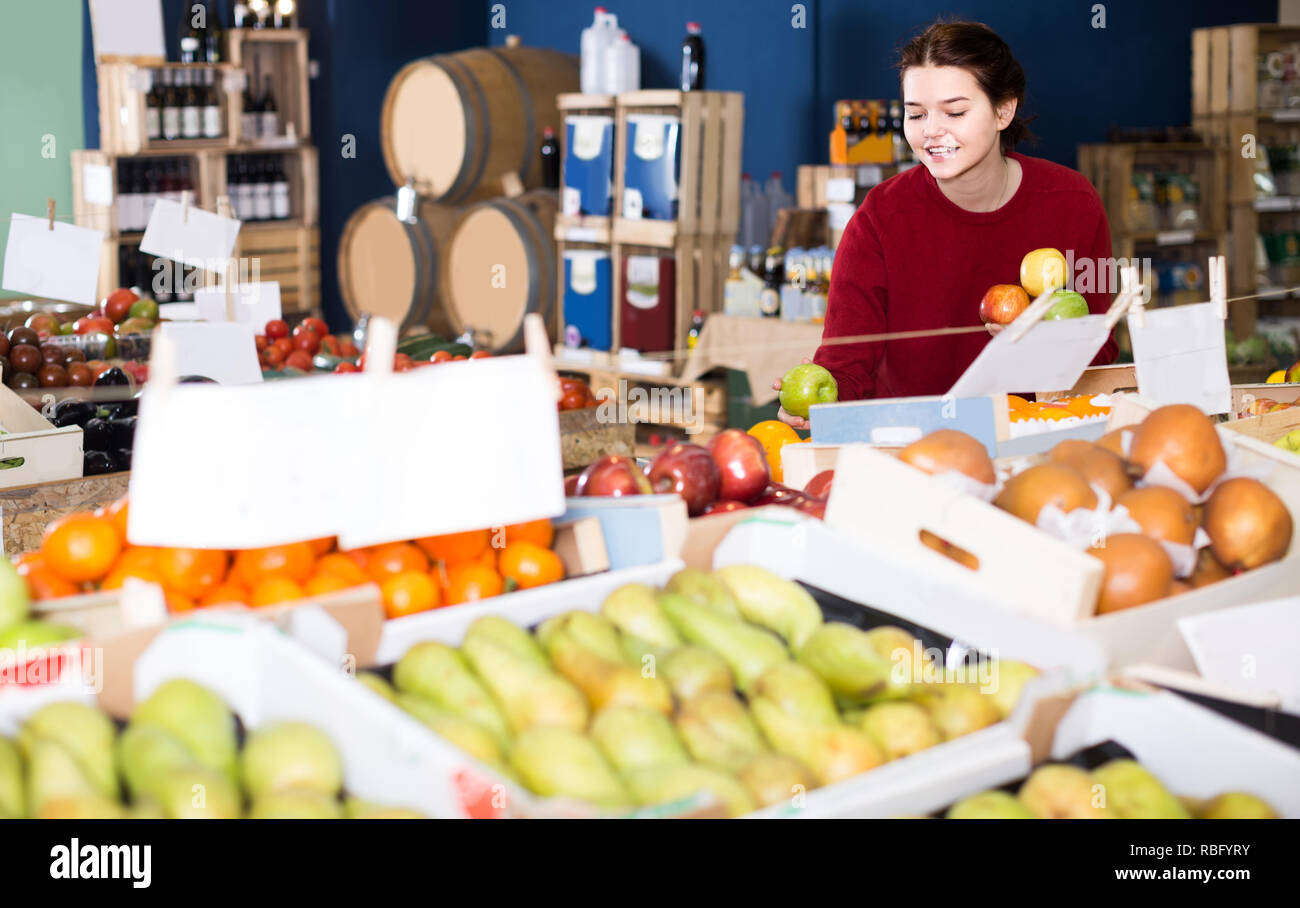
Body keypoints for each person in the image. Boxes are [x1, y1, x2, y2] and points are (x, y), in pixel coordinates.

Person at [776, 20, 1118, 428]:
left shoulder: (1073, 203)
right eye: (915, 114)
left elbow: (1101, 350)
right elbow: (847, 364)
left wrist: (1046, 345)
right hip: (911, 447)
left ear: (1003, 110)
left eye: (955, 111)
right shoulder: (879, 218)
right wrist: (818, 402)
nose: (932, 132)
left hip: (1035, 441)